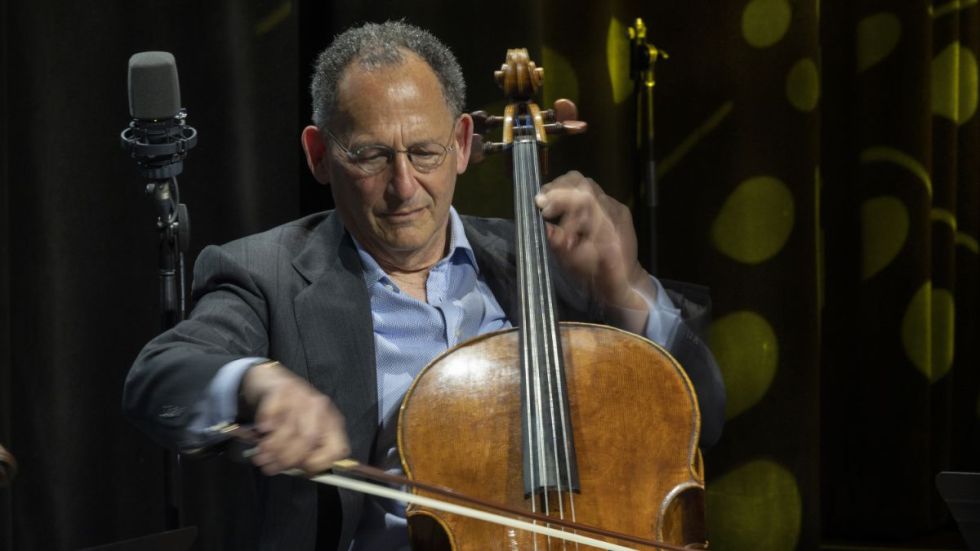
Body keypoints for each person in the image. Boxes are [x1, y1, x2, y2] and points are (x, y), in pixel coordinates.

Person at [123, 21, 725, 551]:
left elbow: (702, 420)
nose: (405, 186)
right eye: (370, 156)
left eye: (425, 152)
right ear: (318, 154)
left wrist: (628, 289)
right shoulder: (265, 272)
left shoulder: (549, 264)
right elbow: (159, 378)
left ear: (463, 144)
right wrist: (258, 381)